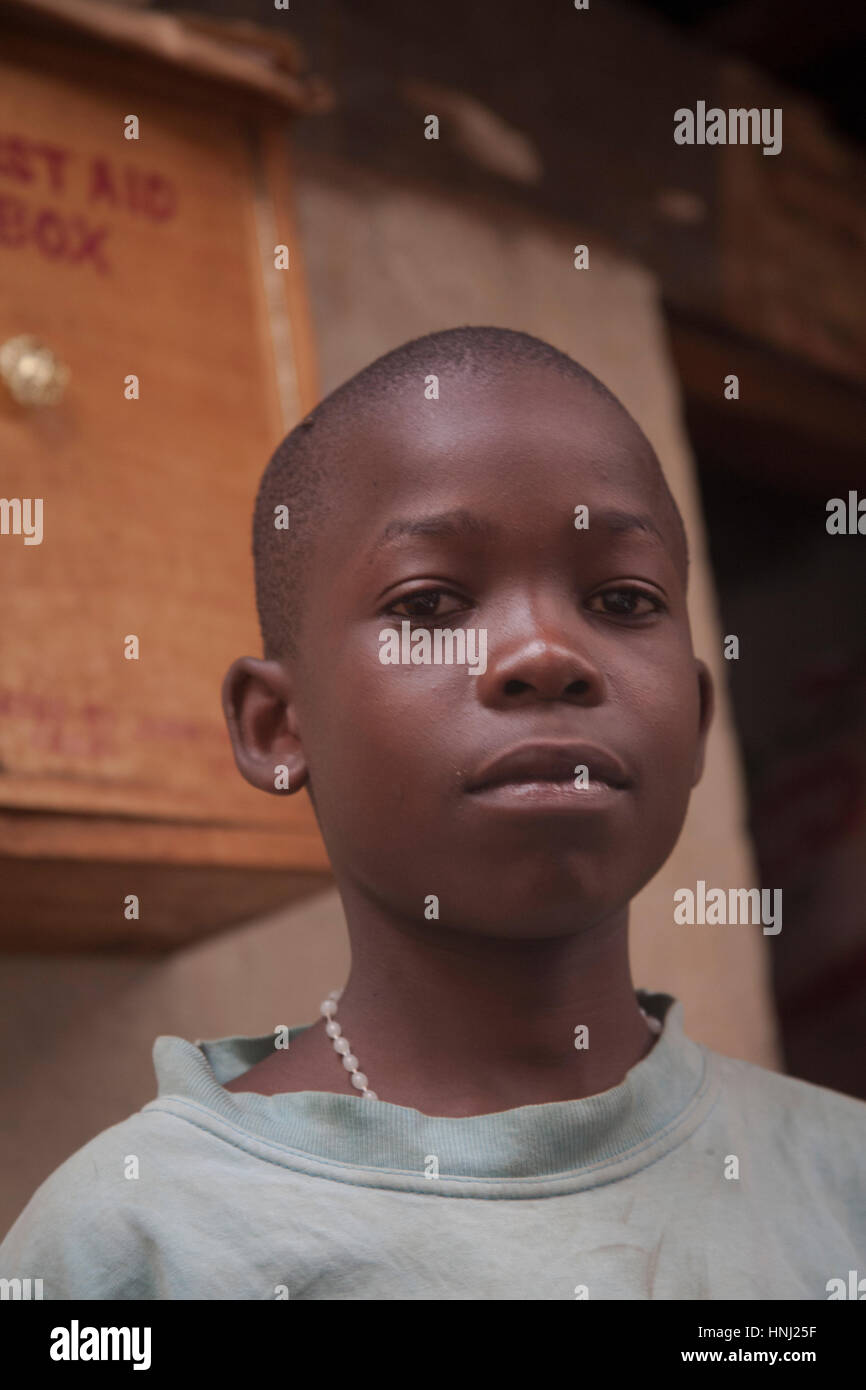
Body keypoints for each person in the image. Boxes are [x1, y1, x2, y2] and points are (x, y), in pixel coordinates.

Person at [2, 327, 864, 1300]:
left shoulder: (839, 1182)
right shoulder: (138, 1245)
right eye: (428, 605)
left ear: (699, 718)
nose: (545, 651)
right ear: (278, 725)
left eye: (621, 599)